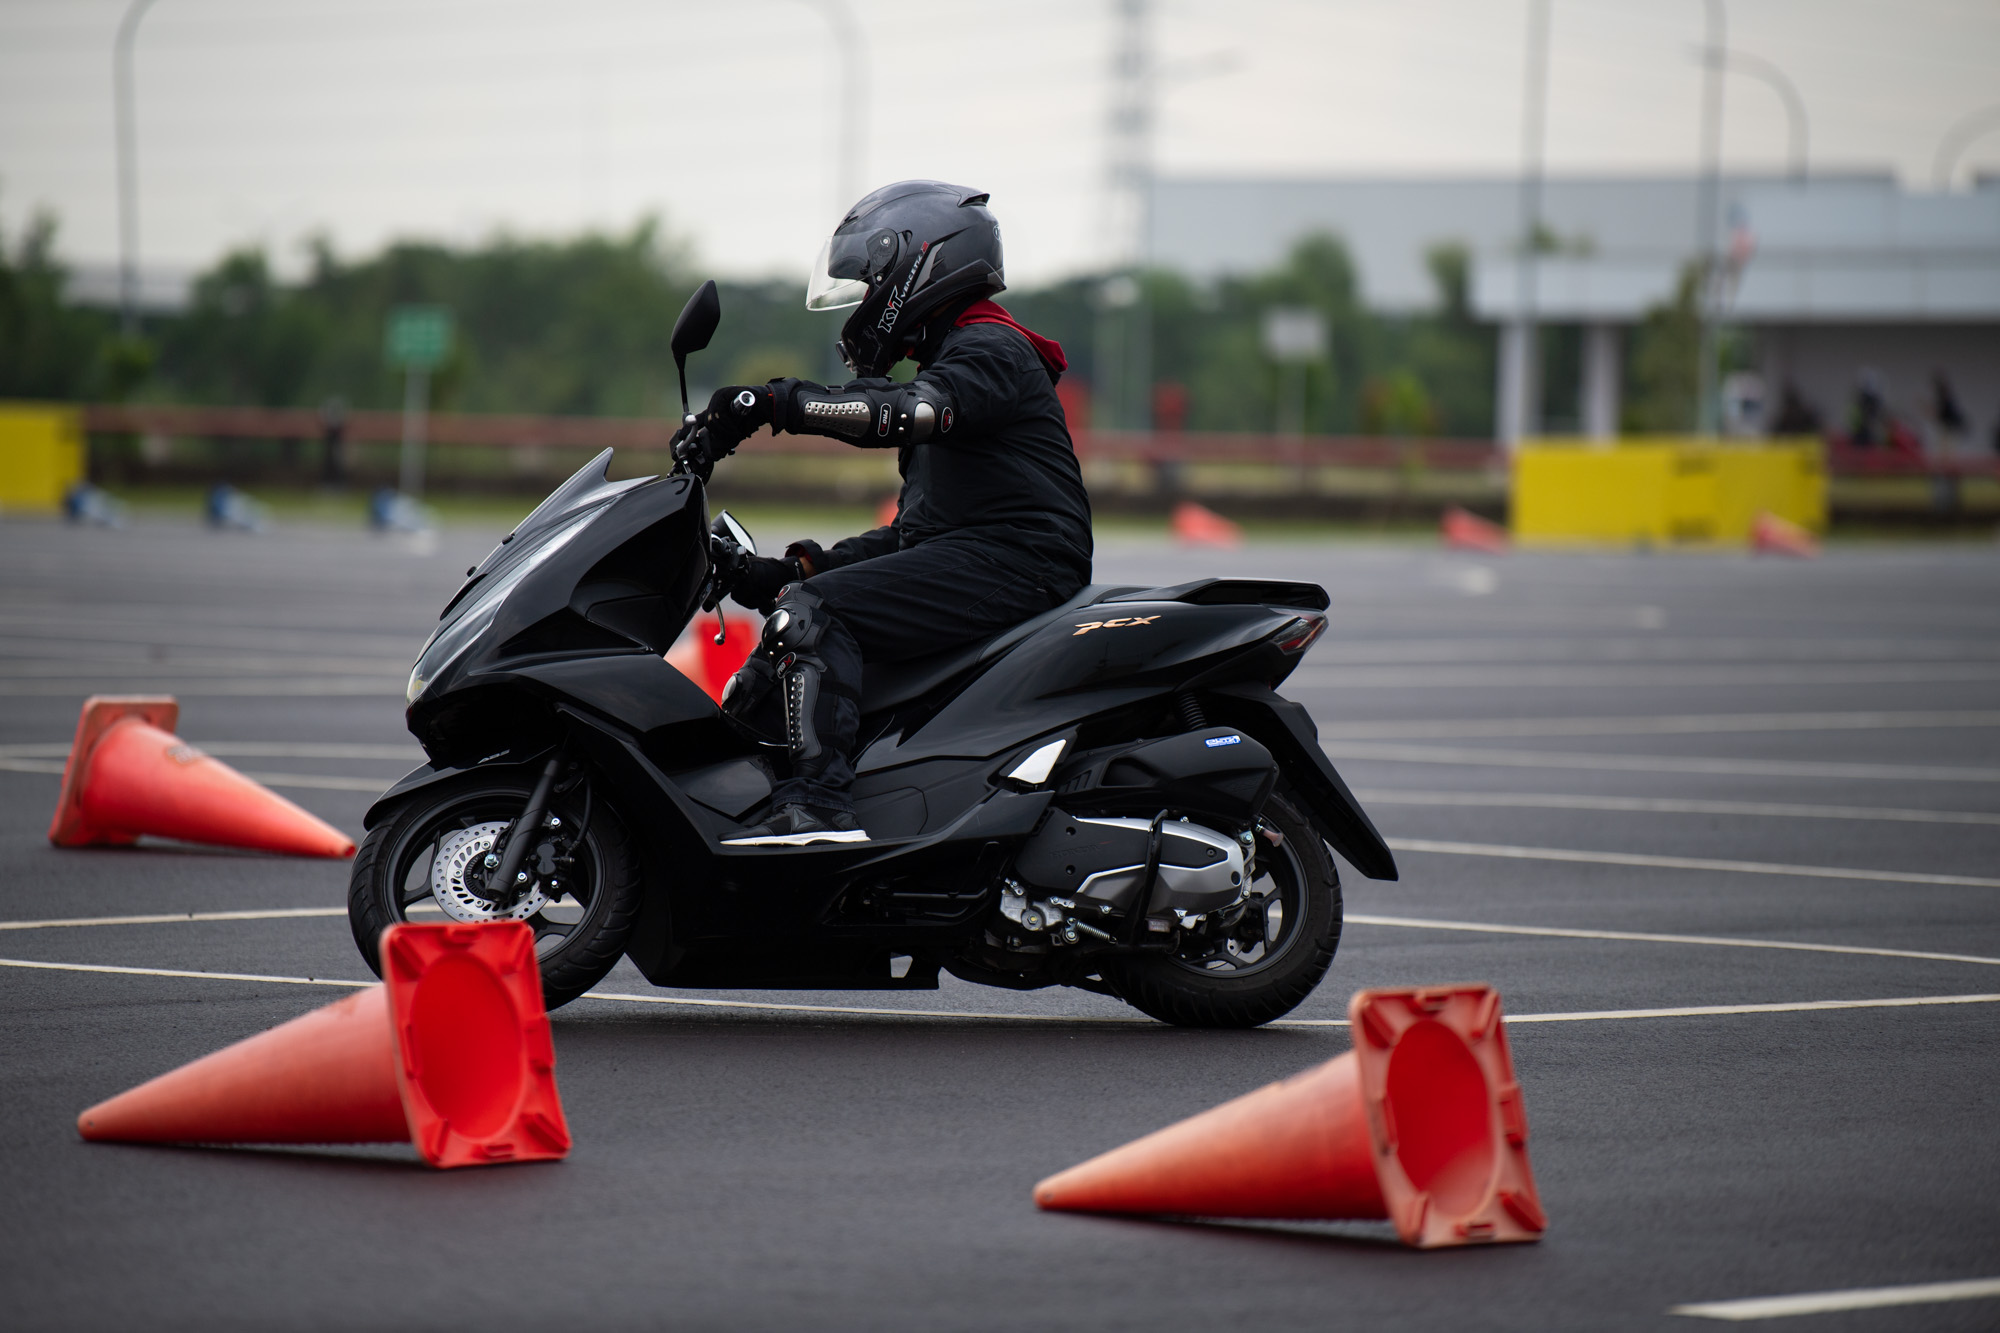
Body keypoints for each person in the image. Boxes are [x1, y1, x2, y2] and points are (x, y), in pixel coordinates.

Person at [672, 181, 1093, 845]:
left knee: (814, 614)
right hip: (987, 556)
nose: (861, 302)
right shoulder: (957, 357)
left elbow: (901, 411)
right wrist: (782, 572)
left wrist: (772, 403)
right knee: (773, 657)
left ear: (917, 264)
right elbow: (915, 537)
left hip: (1022, 561)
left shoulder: (991, 349)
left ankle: (818, 811)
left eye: (866, 283)